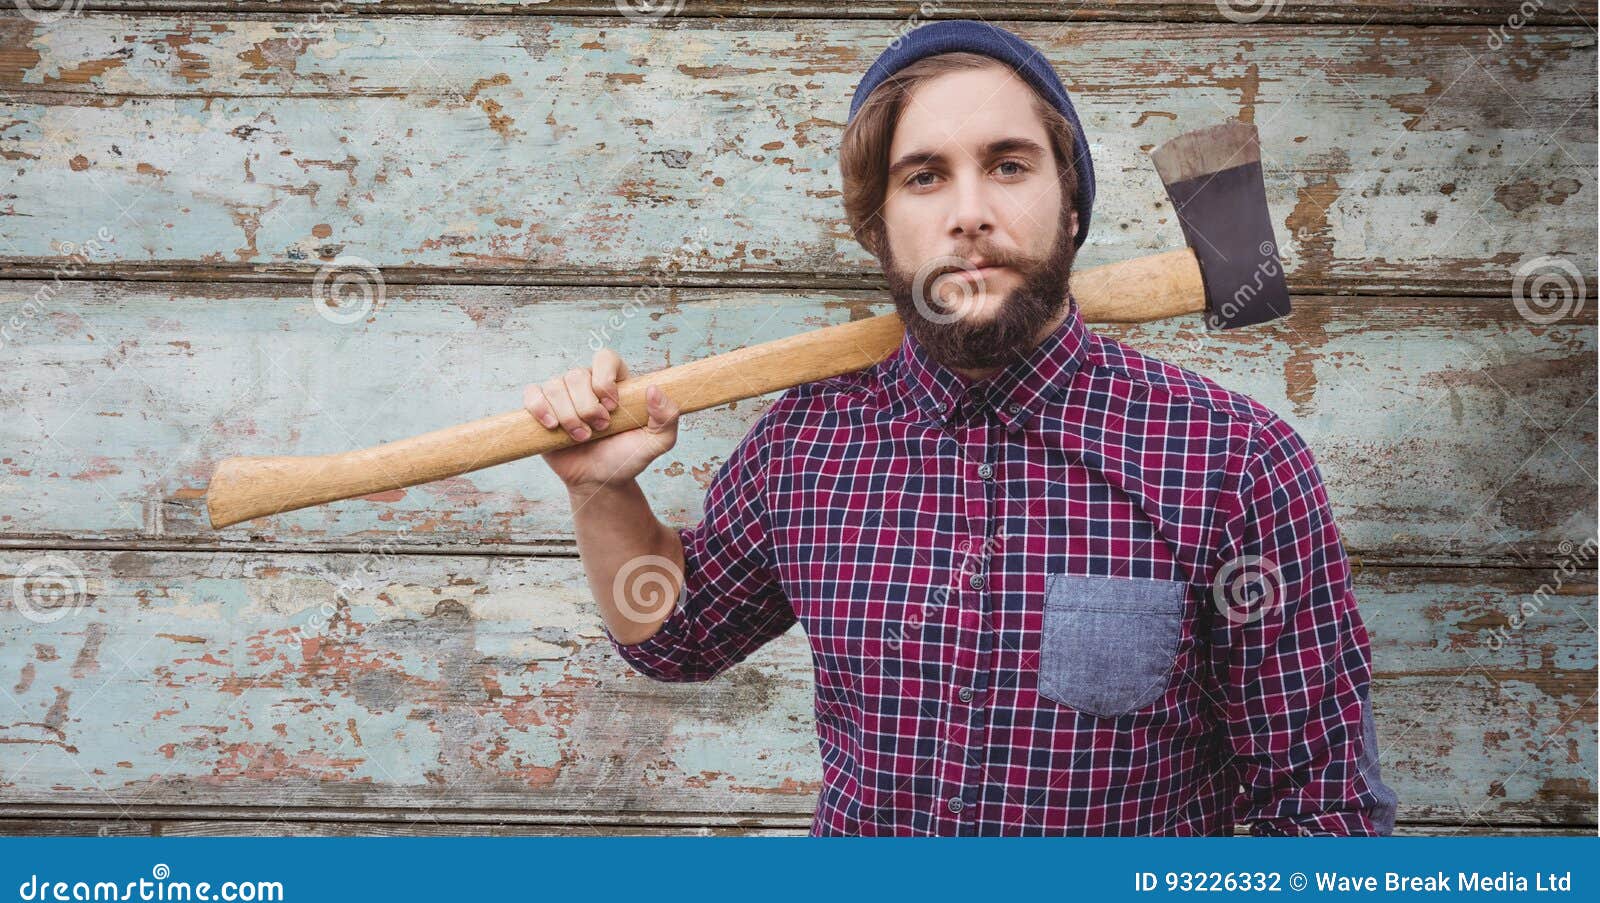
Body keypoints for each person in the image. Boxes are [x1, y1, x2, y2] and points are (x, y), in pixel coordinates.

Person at [521, 20, 1397, 837]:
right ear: (879, 227)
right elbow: (675, 636)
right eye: (925, 175)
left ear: (1074, 208)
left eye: (1010, 166)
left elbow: (1324, 805)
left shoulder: (1235, 461)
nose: (969, 212)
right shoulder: (803, 445)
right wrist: (602, 491)